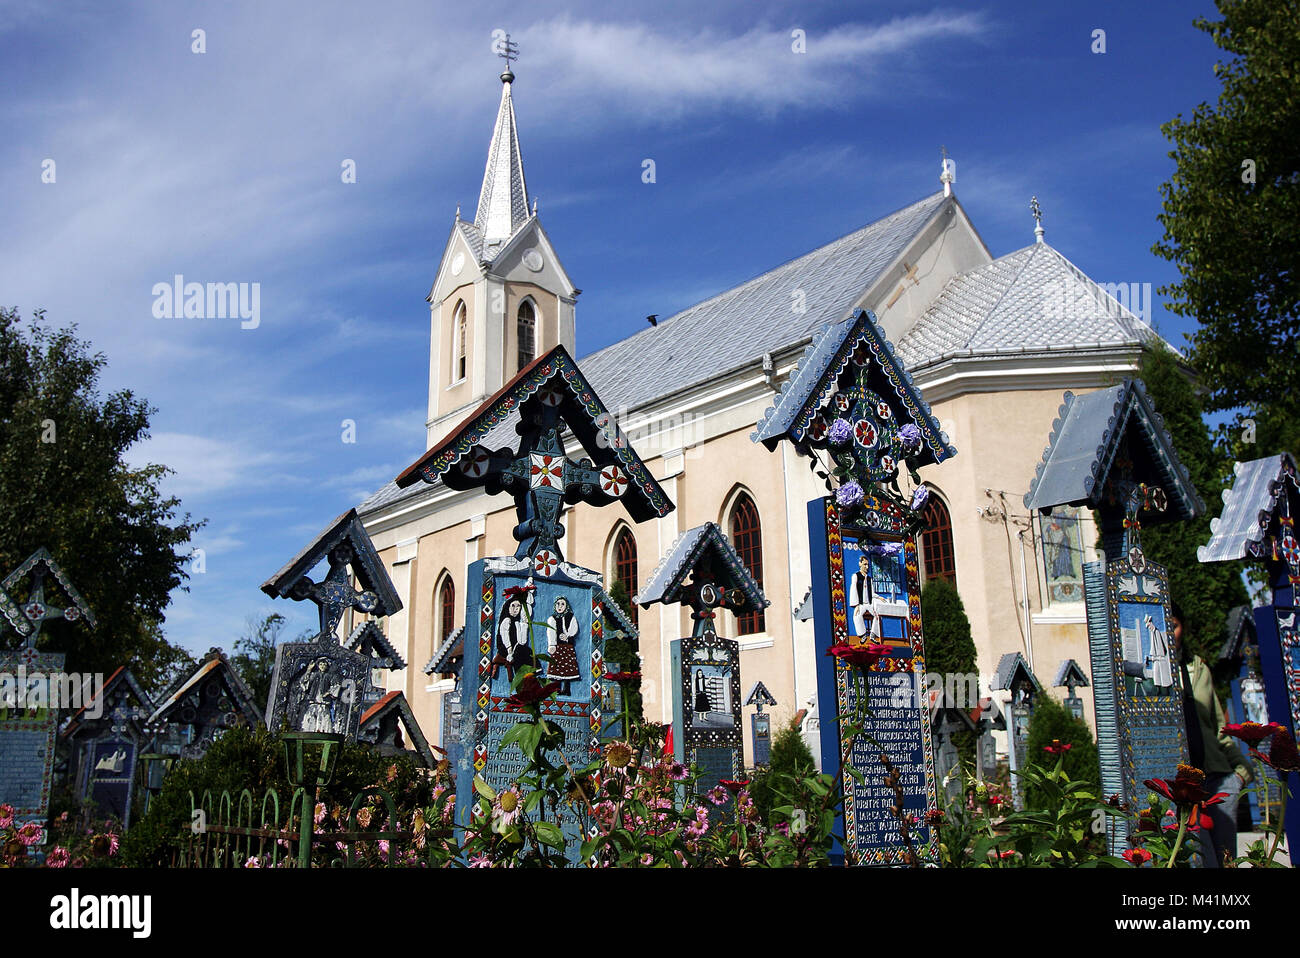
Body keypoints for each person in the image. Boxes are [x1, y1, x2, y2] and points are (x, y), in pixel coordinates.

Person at [1171, 604, 1253, 868]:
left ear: (1182, 628)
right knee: (1203, 860)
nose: (1170, 633)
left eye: (1174, 626)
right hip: (1185, 788)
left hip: (1219, 780)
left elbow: (1218, 727)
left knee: (1228, 861)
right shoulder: (1148, 677)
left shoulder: (1198, 669)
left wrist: (1240, 773)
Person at [545, 595, 580, 694]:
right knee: (557, 667)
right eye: (558, 604)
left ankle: (567, 689)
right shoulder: (553, 619)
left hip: (568, 647)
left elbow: (574, 628)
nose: (560, 606)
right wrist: (552, 645)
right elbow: (551, 632)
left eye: (562, 604)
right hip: (558, 647)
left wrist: (568, 635)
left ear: (566, 606)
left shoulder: (570, 617)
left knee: (568, 668)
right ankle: (557, 689)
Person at [848, 554, 874, 637]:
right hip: (861, 603)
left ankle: (874, 634)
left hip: (870, 603)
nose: (867, 567)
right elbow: (853, 590)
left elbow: (872, 592)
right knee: (857, 616)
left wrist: (878, 598)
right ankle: (863, 634)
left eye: (868, 565)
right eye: (865, 564)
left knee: (877, 616)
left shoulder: (870, 579)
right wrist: (856, 605)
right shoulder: (856, 576)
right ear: (860, 564)